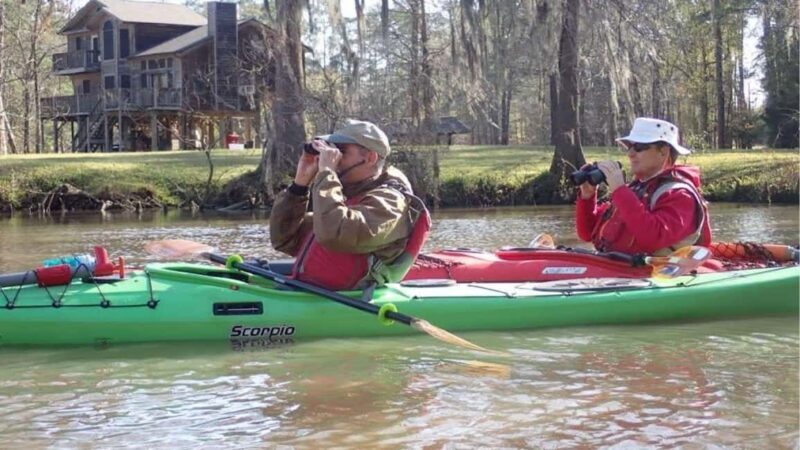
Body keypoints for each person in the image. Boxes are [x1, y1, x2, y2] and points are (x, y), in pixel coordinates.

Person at [269, 119, 430, 291]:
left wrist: (328, 174)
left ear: (370, 158)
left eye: (341, 151)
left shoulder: (390, 203)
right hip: (314, 293)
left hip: (351, 300)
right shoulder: (346, 197)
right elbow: (284, 240)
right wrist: (299, 186)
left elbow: (335, 235)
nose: (333, 157)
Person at [575, 117, 712, 256]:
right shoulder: (636, 189)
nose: (630, 154)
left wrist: (620, 191)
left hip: (658, 272)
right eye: (629, 147)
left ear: (663, 151)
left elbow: (653, 238)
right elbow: (587, 234)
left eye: (639, 147)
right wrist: (588, 198)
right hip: (616, 266)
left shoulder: (680, 195)